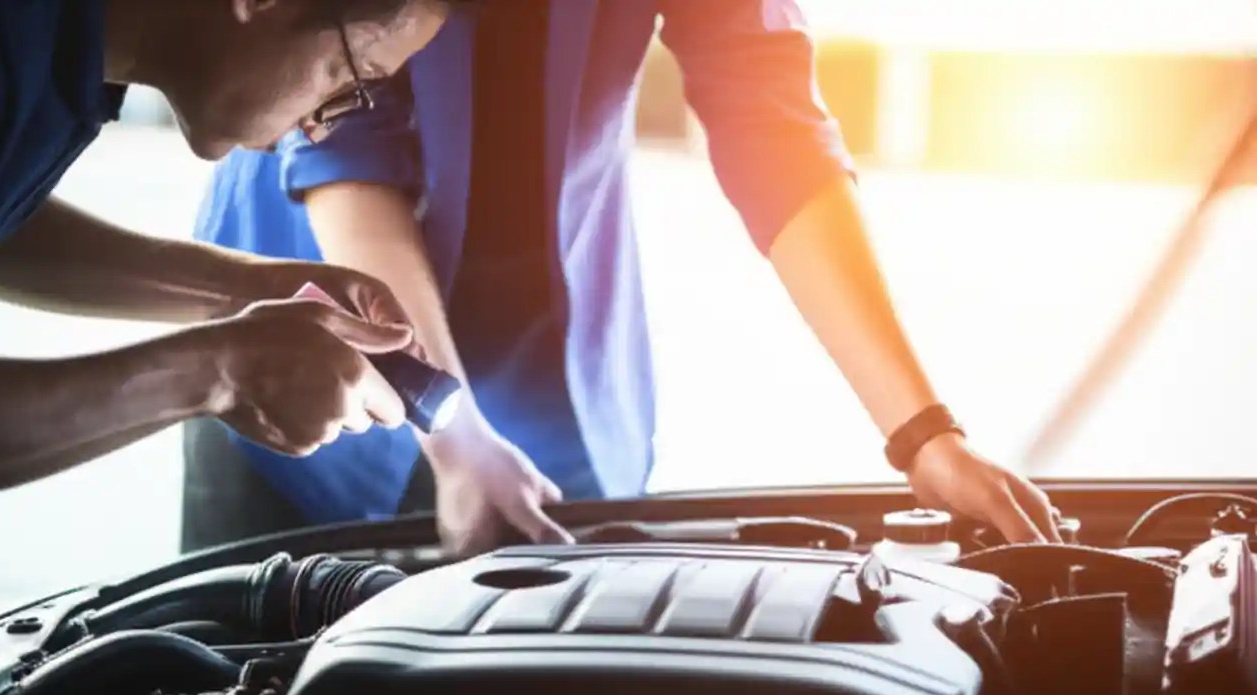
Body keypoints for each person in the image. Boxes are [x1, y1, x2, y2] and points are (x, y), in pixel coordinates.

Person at [188, 0, 1063, 555]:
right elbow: (347, 145)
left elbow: (774, 126)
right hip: (311, 333)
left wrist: (923, 435)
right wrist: (452, 431)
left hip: (556, 361)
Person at [0, 0, 464, 495]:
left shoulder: (65, 53)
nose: (320, 129)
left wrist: (250, 287)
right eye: (351, 79)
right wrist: (220, 373)